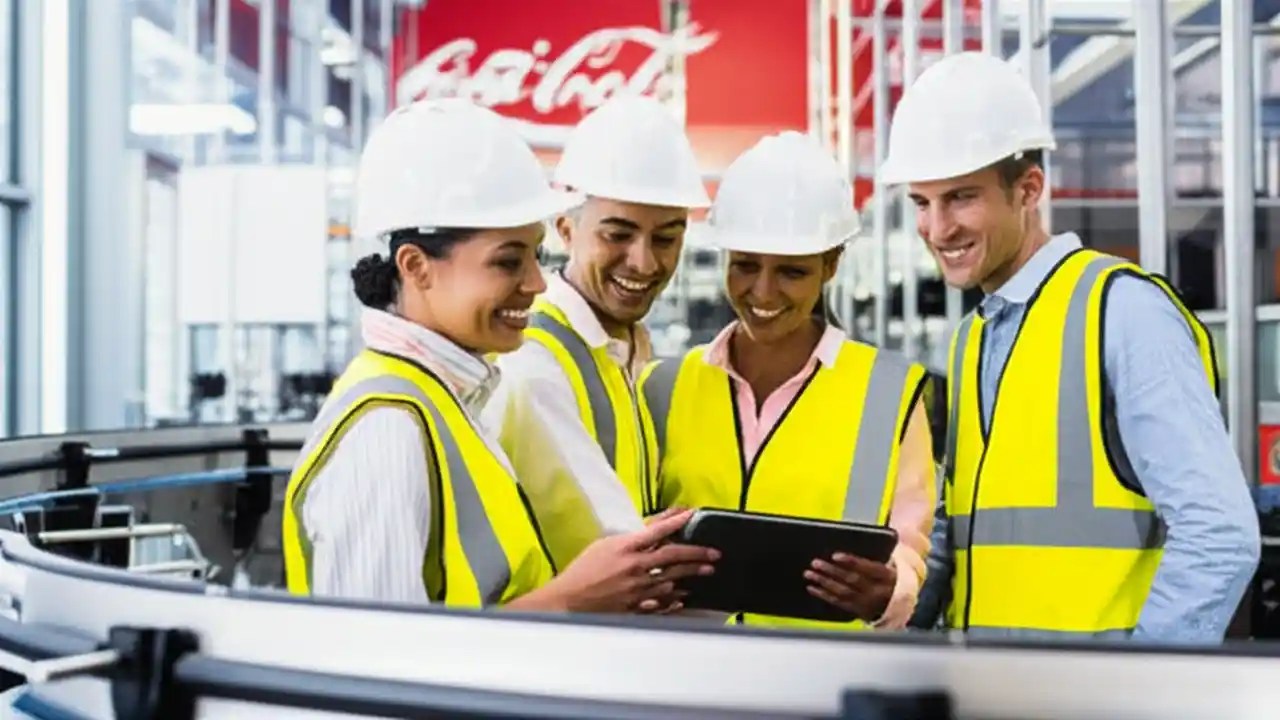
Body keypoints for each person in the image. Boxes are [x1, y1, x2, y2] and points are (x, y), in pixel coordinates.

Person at [281, 99, 718, 614]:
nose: (536, 282)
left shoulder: (449, 401)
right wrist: (572, 599)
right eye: (508, 262)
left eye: (534, 256)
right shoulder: (388, 429)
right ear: (416, 266)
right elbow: (381, 666)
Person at [885, 52, 1260, 642]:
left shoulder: (1123, 312)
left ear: (1028, 188)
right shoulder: (971, 337)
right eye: (921, 203)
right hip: (996, 694)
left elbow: (1220, 534)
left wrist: (1129, 687)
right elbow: (963, 535)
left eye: (961, 197)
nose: (937, 229)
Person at [638, 131, 937, 631]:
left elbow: (912, 550)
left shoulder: (890, 392)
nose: (762, 292)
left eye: (791, 273)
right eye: (745, 266)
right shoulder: (662, 387)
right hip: (687, 678)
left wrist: (890, 593)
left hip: (819, 682)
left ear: (830, 265)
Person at [481, 95, 711, 569]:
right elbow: (621, 557)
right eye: (617, 234)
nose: (645, 262)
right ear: (566, 230)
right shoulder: (535, 364)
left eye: (666, 238)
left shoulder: (620, 353)